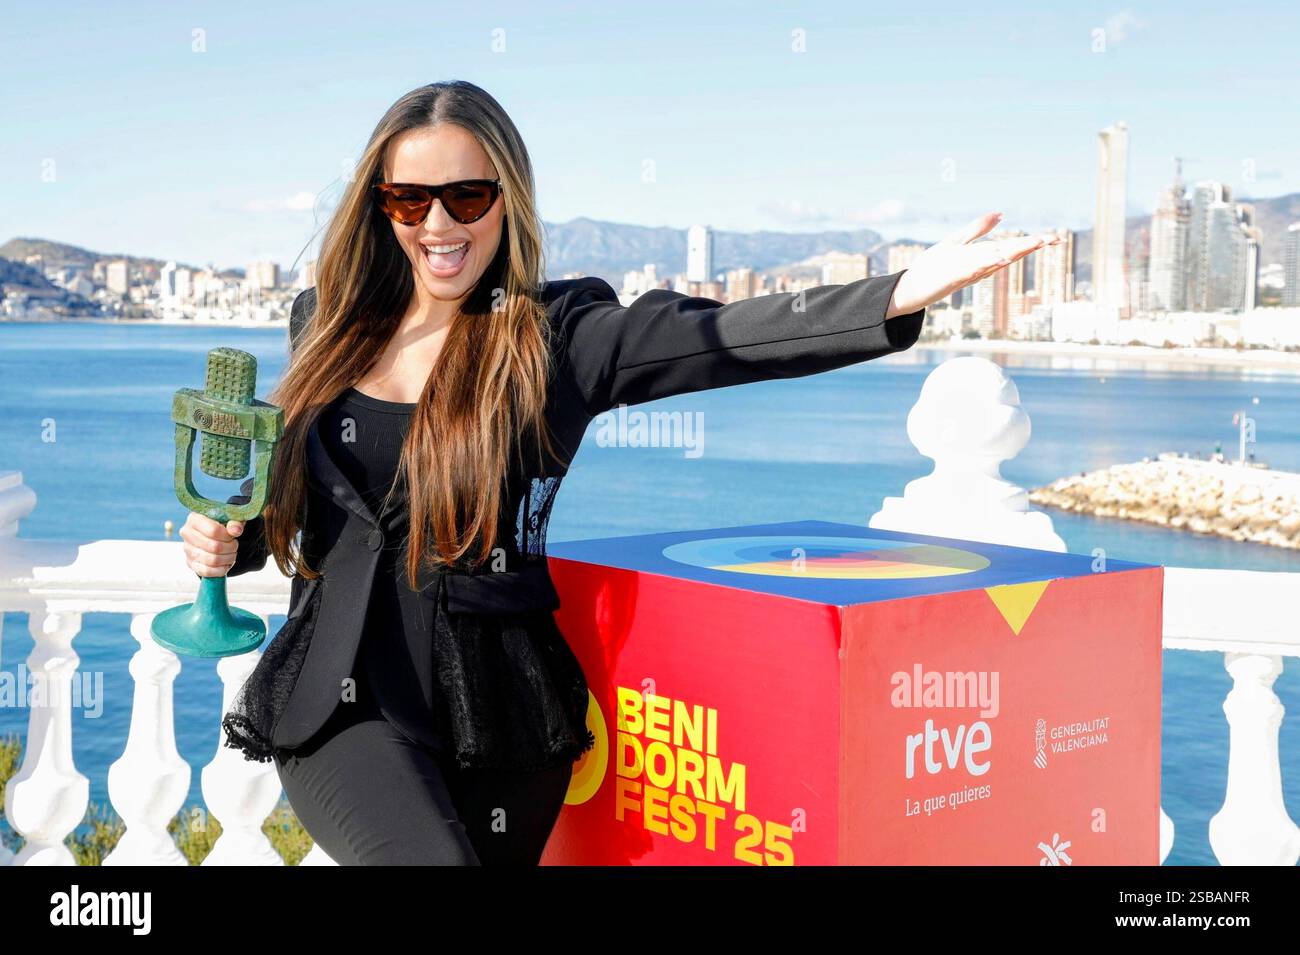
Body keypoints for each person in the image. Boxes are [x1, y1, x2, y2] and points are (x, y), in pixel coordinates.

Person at [179, 80, 1058, 866]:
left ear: (507, 201)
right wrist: (236, 540)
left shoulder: (554, 338)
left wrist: (895, 295)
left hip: (501, 720)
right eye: (410, 199)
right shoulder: (324, 323)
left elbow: (722, 337)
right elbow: (309, 507)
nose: (438, 224)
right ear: (382, 207)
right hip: (345, 704)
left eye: (467, 195)